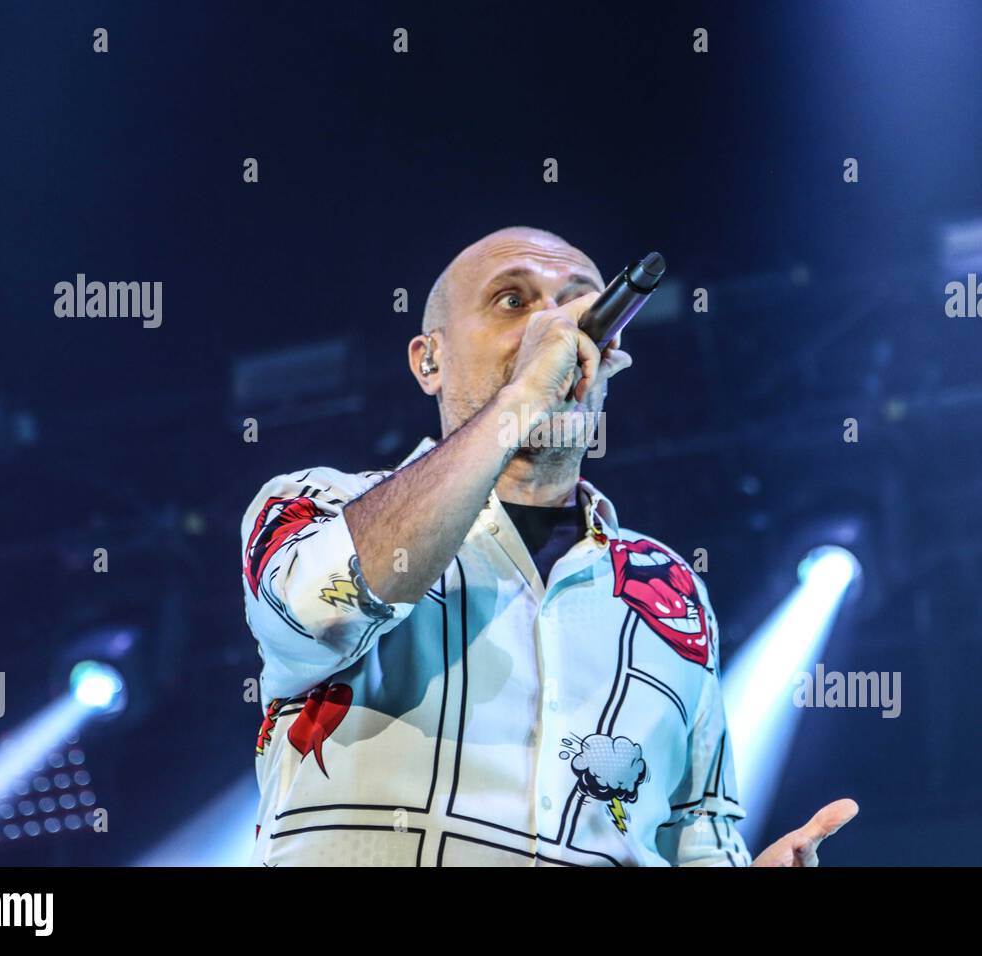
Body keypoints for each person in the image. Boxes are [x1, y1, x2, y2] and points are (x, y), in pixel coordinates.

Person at [241, 225, 857, 866]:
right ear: (429, 360)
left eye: (579, 307)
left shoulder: (668, 587)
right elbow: (322, 609)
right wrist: (522, 397)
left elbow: (696, 835)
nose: (557, 331)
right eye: (513, 301)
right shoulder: (314, 504)